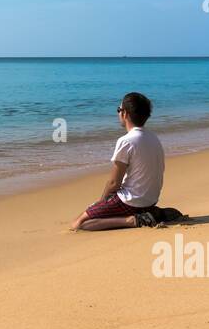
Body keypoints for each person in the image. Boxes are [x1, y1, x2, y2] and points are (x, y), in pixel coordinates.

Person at [70, 92, 165, 231]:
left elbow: (114, 183)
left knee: (78, 224)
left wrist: (101, 203)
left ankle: (132, 220)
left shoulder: (127, 141)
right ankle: (149, 213)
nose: (118, 113)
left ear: (125, 113)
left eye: (118, 110)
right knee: (96, 213)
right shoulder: (153, 138)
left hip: (131, 201)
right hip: (150, 199)